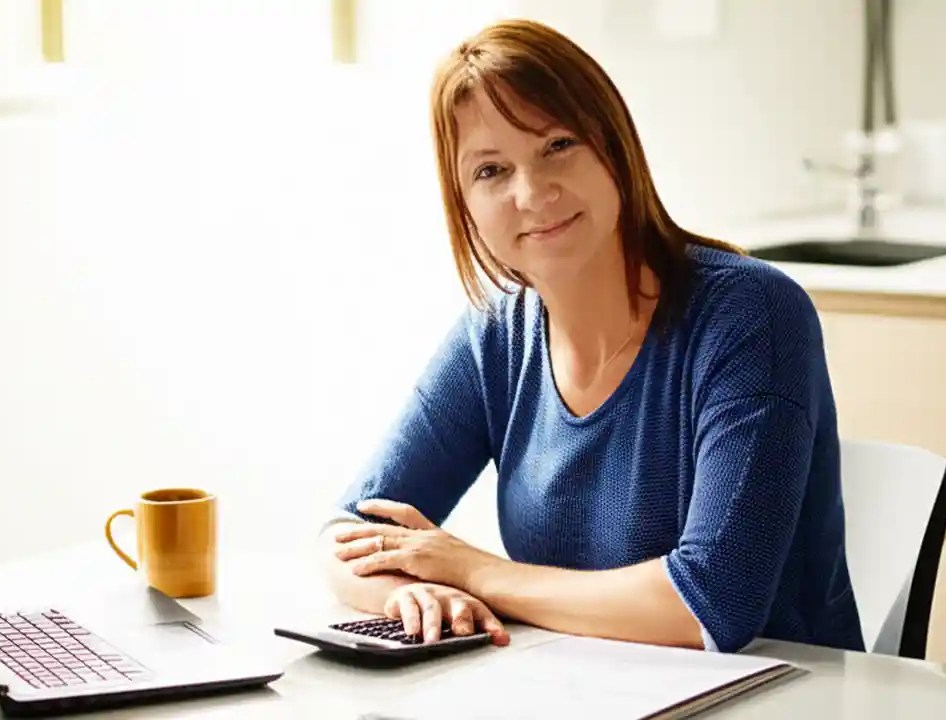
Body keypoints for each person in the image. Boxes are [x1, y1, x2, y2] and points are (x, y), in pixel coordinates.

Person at [318, 18, 864, 655]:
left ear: (613, 145)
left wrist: (473, 572)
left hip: (779, 691)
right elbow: (346, 531)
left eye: (557, 145)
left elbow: (713, 605)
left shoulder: (752, 314)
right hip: (588, 686)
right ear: (462, 202)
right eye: (491, 171)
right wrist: (406, 595)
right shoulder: (494, 336)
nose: (532, 192)